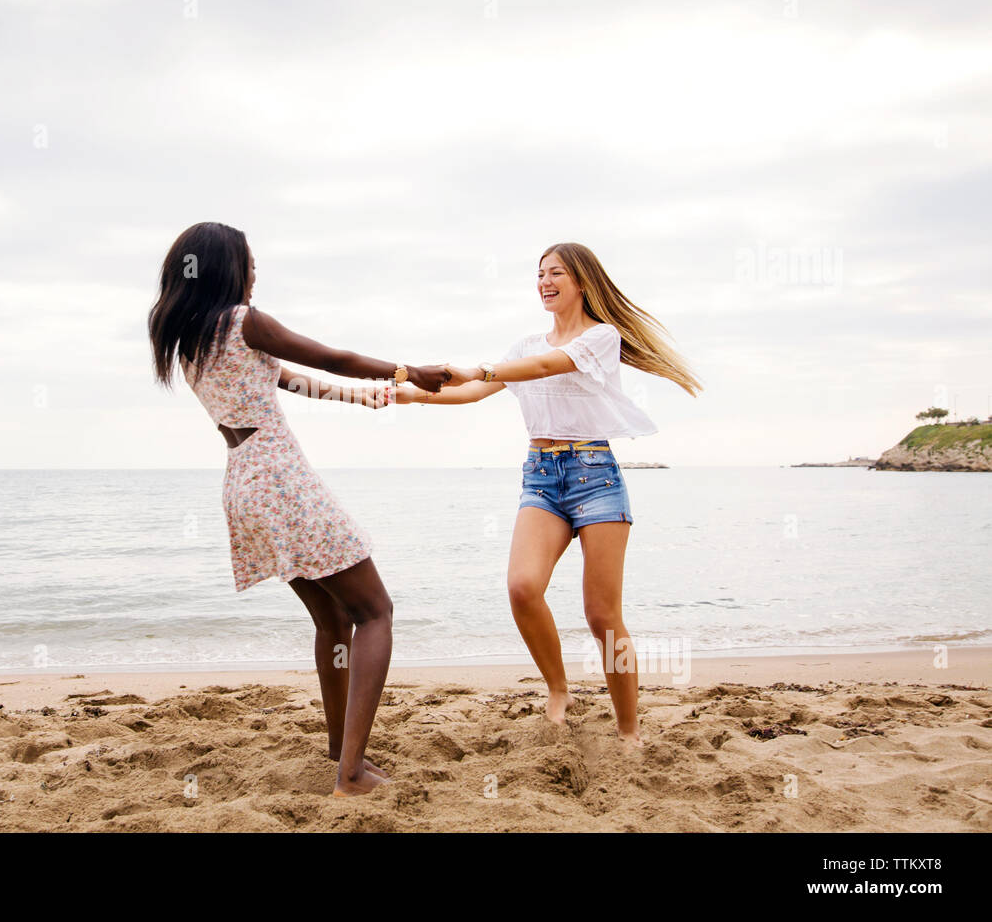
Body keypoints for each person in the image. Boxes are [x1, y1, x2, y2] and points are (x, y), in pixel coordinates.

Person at [147, 221, 449, 794]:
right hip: (281, 481)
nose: (255, 273)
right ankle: (352, 774)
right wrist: (410, 372)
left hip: (244, 483)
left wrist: (364, 397)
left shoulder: (191, 338)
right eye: (249, 262)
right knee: (375, 612)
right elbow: (332, 357)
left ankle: (342, 749)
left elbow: (291, 381)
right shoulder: (244, 321)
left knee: (333, 618)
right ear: (226, 268)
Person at [397, 242, 701, 745]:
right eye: (539, 274)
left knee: (602, 614)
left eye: (556, 272)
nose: (545, 281)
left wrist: (478, 369)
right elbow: (472, 391)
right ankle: (559, 690)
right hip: (541, 475)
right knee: (522, 587)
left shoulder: (601, 337)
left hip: (595, 475)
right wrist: (406, 392)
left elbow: (542, 369)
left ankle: (628, 730)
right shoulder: (522, 345)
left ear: (582, 281)